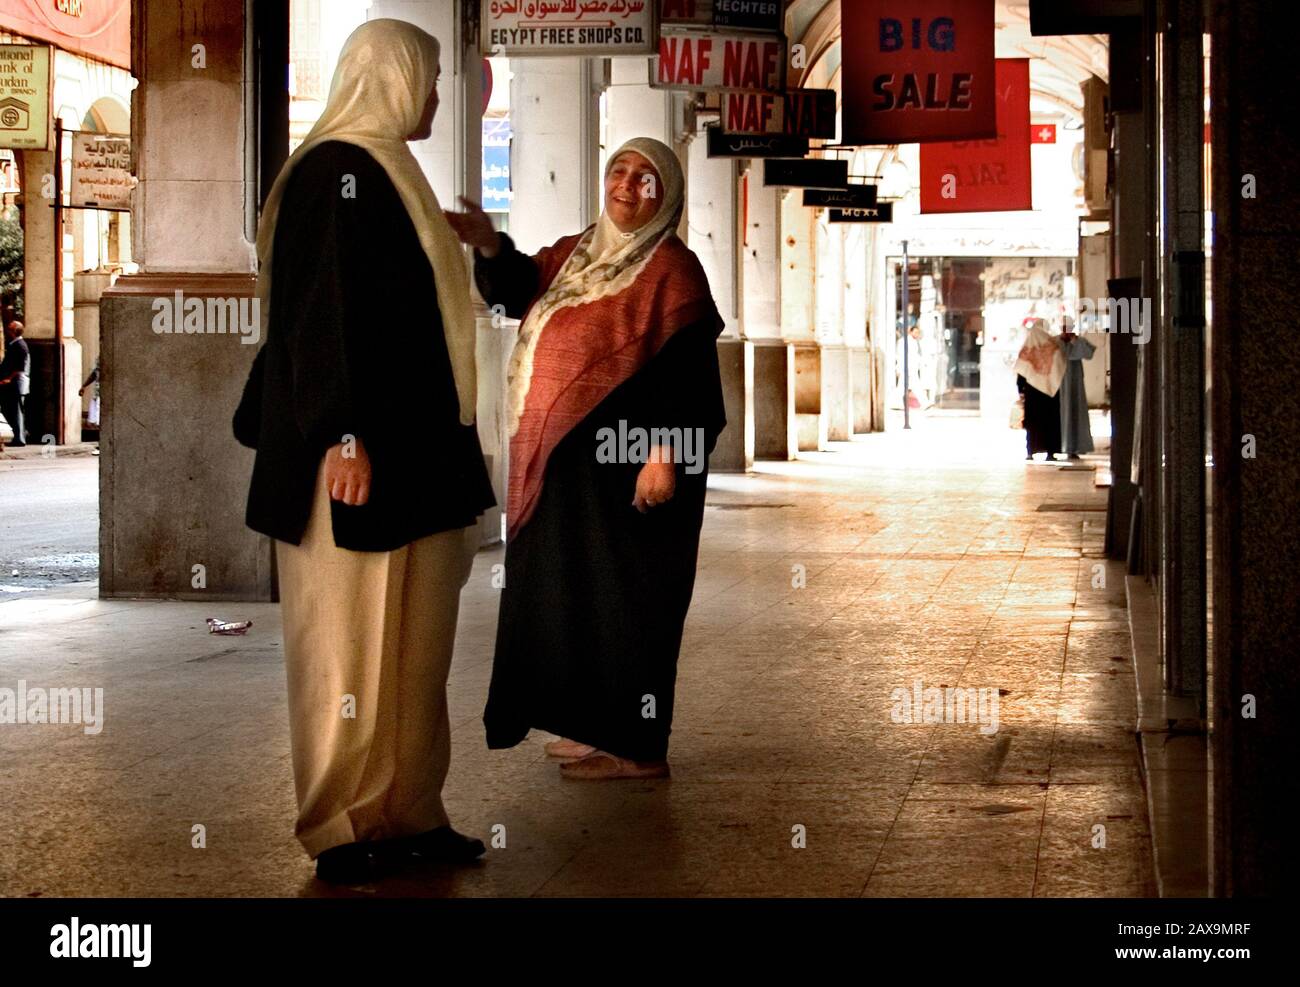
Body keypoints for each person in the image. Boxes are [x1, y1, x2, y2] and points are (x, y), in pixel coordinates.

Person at [233, 19, 496, 884]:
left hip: (417, 455)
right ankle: (340, 822)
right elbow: (321, 315)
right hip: (352, 458)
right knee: (345, 647)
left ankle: (407, 809)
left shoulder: (389, 168)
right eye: (424, 75)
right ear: (388, 75)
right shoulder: (332, 171)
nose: (431, 93)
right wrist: (342, 432)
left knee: (416, 651)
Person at [446, 137, 726, 781]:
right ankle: (593, 723)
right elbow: (516, 292)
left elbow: (689, 381)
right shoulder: (577, 253)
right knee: (572, 595)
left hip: (630, 467)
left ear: (667, 195)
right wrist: (490, 245)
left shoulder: (673, 271)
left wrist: (664, 454)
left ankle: (636, 743)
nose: (627, 186)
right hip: (565, 471)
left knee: (630, 597)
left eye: (645, 177)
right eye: (618, 171)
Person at [1013, 318, 1065, 463]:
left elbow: (1021, 370)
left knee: (1033, 422)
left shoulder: (1027, 349)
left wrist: (1021, 389)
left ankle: (1031, 451)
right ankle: (1051, 452)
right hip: (1050, 391)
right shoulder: (1053, 347)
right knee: (1051, 422)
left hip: (1033, 392)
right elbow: (1060, 365)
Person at [1058, 319, 1096, 458]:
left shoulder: (1079, 340)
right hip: (1061, 381)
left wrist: (1075, 342)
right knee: (1063, 412)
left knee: (1076, 412)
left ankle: (1076, 447)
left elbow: (1089, 354)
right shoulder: (1057, 341)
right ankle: (1064, 446)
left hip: (1076, 382)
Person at [0, 320, 31, 447]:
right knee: (13, 410)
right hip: (14, 382)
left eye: (9, 329)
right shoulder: (15, 344)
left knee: (16, 410)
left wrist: (9, 378)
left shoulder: (20, 345)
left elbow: (20, 367)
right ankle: (19, 436)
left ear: (13, 332)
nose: (7, 331)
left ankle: (19, 438)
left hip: (16, 383)